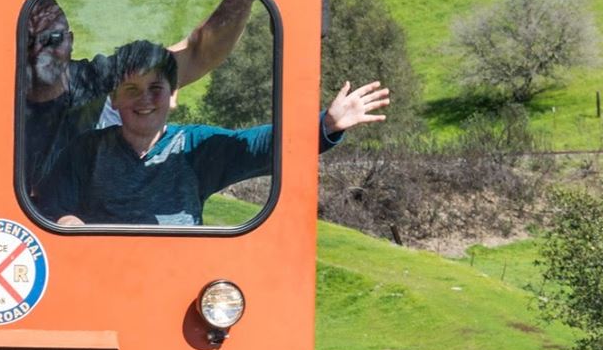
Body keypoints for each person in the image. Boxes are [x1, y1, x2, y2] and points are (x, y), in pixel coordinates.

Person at [39, 40, 389, 225]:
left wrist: (325, 125)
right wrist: (70, 224)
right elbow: (52, 207)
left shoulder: (193, 147)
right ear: (114, 98)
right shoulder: (87, 151)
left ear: (172, 95)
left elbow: (259, 147)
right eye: (131, 89)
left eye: (155, 88)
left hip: (181, 278)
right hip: (102, 276)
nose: (144, 100)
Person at [22, 0, 255, 199]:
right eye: (28, 40)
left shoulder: (100, 80)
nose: (39, 51)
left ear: (70, 41)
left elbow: (198, 52)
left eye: (53, 39)